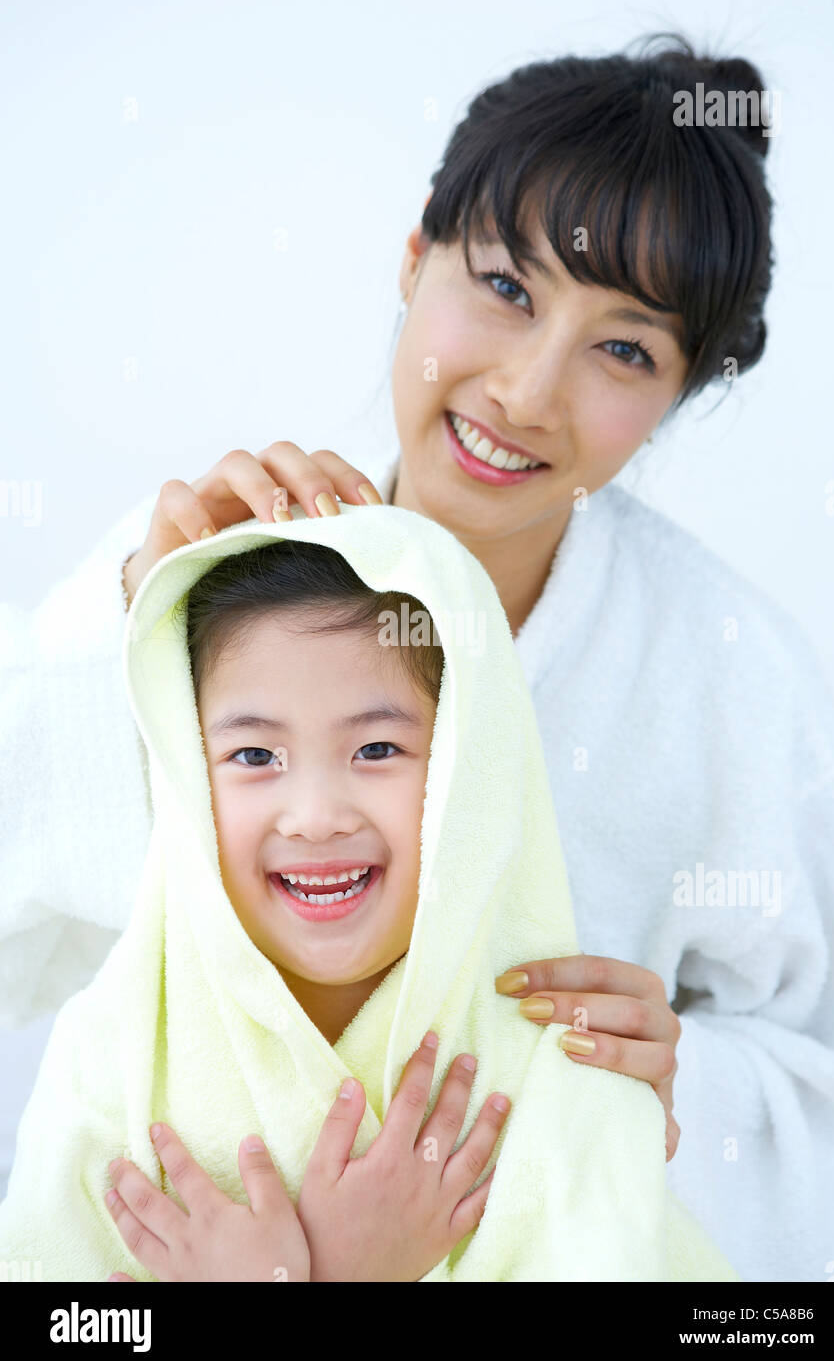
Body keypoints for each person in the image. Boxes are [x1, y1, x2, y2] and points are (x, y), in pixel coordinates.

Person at [1, 32, 834, 1282]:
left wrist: (670, 1088)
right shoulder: (209, 562)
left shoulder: (732, 675)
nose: (523, 390)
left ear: (675, 398)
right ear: (415, 259)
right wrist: (127, 639)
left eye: (624, 350)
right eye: (506, 288)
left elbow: (827, 1099)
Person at [0, 507, 738, 1281]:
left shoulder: (561, 1069)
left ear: (467, 768)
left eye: (377, 748)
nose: (316, 816)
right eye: (255, 753)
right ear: (187, 774)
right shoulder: (109, 1054)